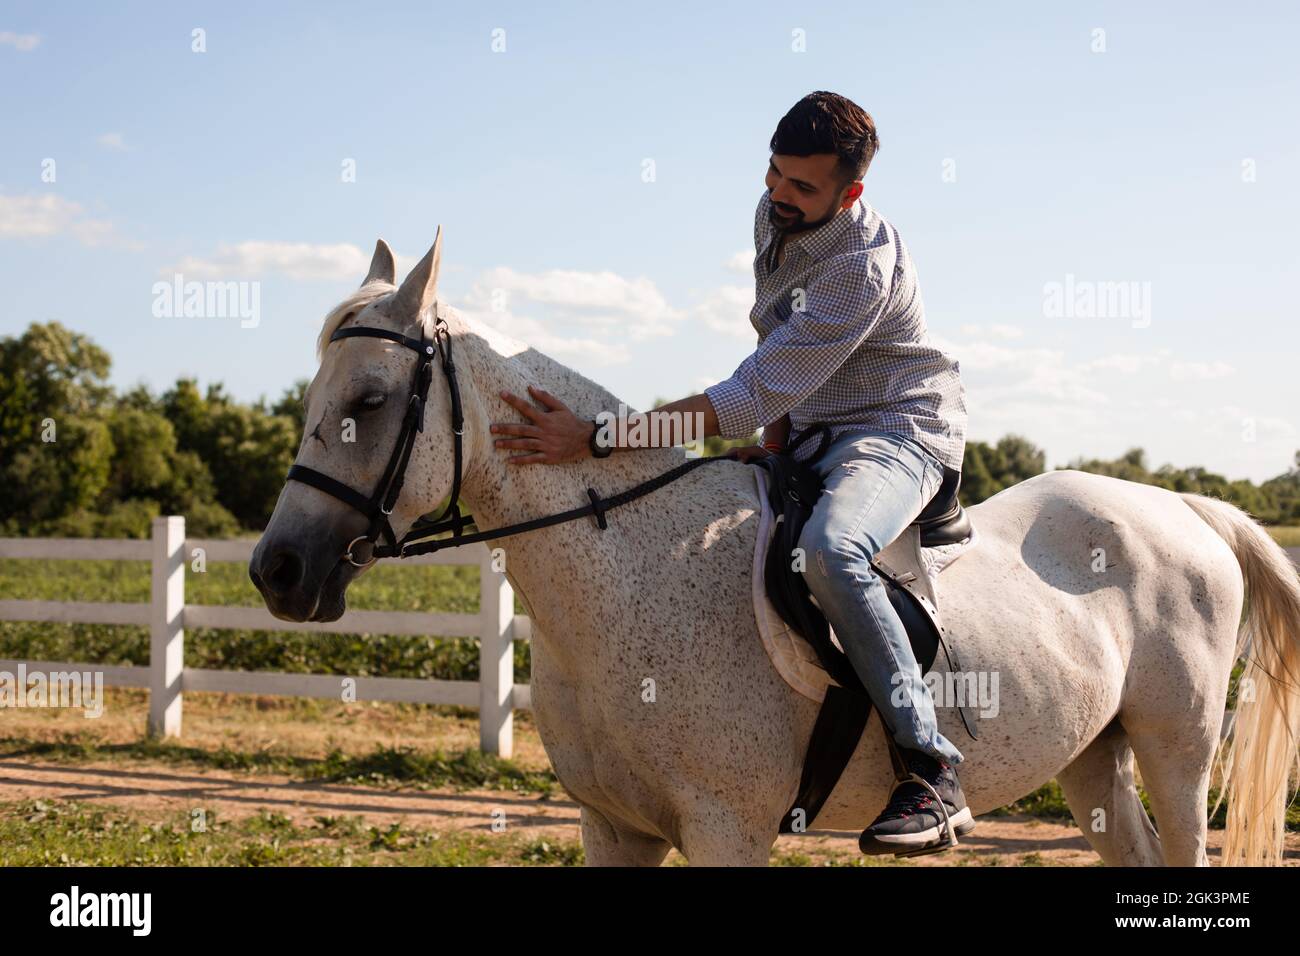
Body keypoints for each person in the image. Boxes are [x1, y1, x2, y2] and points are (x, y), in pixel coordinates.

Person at [489, 90, 973, 855]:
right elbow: (771, 352)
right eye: (774, 174)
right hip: (811, 428)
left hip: (894, 429)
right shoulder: (774, 215)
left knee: (831, 553)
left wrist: (597, 438)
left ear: (850, 192)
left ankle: (931, 770)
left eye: (803, 187)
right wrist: (778, 451)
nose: (780, 194)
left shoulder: (860, 268)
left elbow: (745, 396)